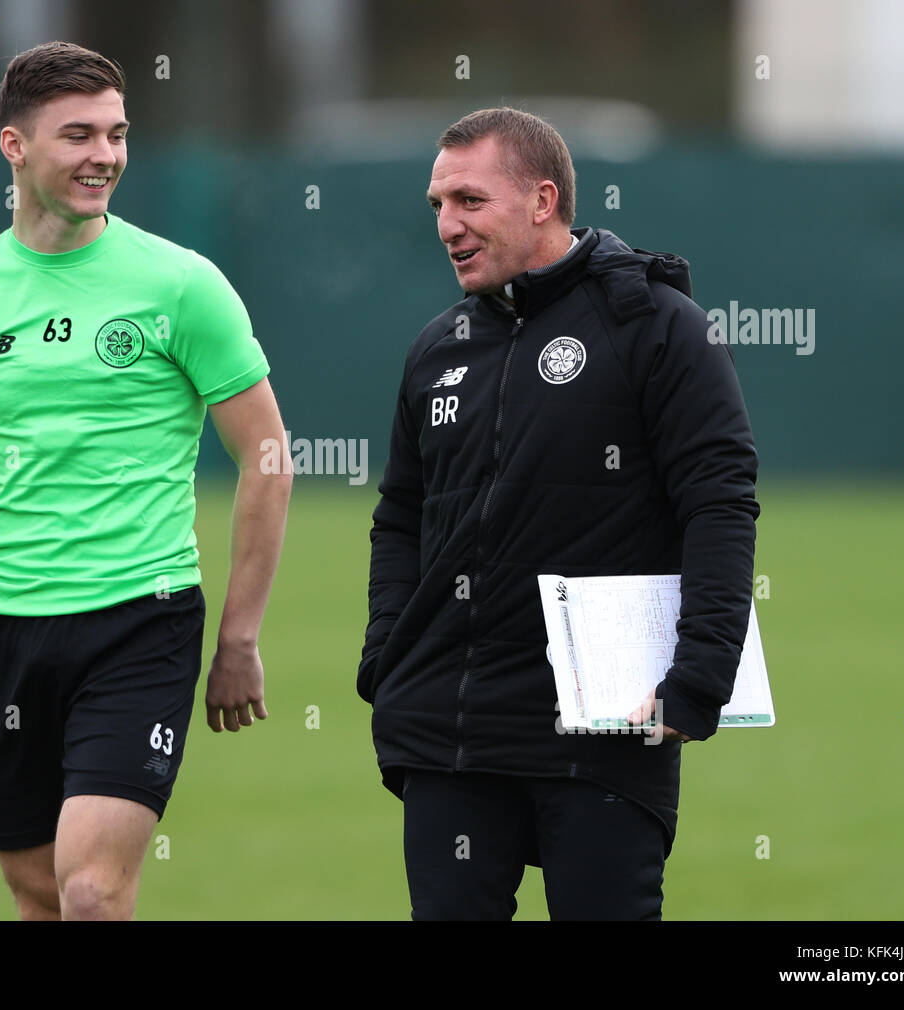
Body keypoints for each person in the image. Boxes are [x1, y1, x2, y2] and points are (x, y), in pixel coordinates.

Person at [0, 41, 291, 921]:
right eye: (78, 135)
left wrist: (237, 637)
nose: (106, 156)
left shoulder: (182, 285)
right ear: (14, 145)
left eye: (117, 134)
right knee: (38, 894)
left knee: (91, 893)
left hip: (142, 618)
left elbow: (268, 459)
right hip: (6, 625)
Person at [357, 107, 759, 920]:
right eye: (437, 204)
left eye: (469, 200)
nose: (446, 224)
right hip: (451, 729)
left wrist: (701, 676)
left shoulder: (654, 326)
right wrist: (387, 656)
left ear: (542, 201)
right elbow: (399, 516)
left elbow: (719, 499)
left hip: (605, 730)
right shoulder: (438, 347)